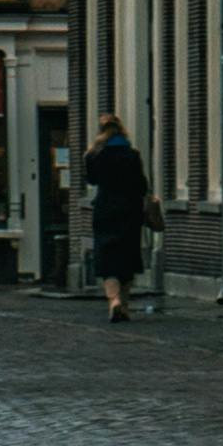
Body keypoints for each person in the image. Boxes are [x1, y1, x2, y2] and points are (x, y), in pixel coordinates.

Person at [82, 112, 154, 324]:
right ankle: (124, 304)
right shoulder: (132, 154)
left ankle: (113, 300)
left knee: (107, 257)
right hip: (129, 210)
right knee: (128, 257)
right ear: (122, 131)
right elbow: (142, 185)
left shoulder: (94, 155)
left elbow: (92, 180)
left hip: (105, 209)